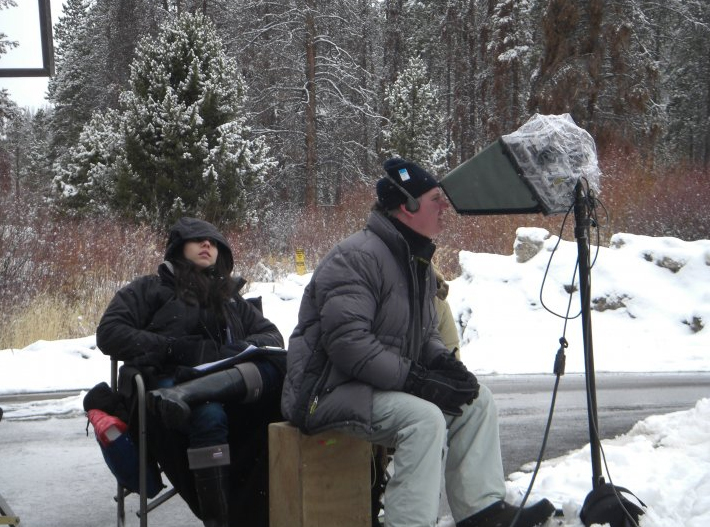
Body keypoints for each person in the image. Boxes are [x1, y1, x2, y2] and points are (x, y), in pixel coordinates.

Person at [281, 158, 555, 527]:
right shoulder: (356, 257)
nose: (446, 208)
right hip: (326, 391)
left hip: (376, 386)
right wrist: (416, 380)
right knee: (423, 419)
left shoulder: (415, 260)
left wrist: (445, 366)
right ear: (407, 206)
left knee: (475, 403)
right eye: (435, 199)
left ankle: (483, 513)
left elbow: (424, 333)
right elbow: (348, 344)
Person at [96, 217, 285, 527]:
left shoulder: (231, 299)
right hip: (167, 388)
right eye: (197, 239)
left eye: (214, 242)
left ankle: (272, 508)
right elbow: (110, 333)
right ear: (178, 248)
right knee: (208, 414)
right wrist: (173, 349)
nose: (207, 244)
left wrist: (234, 351)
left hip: (230, 384)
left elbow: (272, 337)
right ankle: (218, 520)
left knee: (285, 378)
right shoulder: (149, 289)